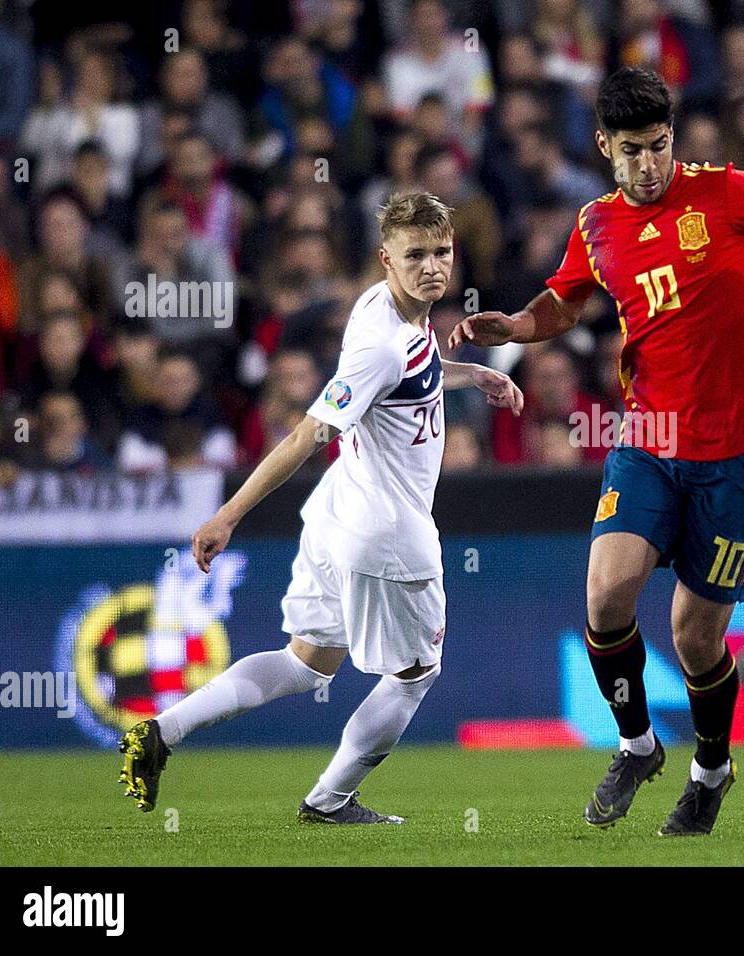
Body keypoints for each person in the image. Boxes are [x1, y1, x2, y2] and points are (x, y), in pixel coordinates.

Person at [450, 67, 744, 836]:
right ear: (603, 147)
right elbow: (565, 301)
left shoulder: (728, 190)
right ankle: (637, 745)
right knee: (606, 596)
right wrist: (515, 327)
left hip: (738, 457)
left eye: (660, 146)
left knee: (696, 635)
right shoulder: (594, 223)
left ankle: (711, 772)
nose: (650, 164)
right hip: (649, 442)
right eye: (633, 150)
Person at [117, 192, 523, 823]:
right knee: (417, 672)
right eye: (415, 255)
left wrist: (472, 375)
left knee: (306, 663)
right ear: (386, 257)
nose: (433, 267)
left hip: (338, 510)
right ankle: (330, 800)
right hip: (386, 528)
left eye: (442, 252)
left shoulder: (386, 312)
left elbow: (410, 380)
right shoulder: (380, 345)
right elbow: (309, 434)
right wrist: (229, 513)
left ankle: (161, 732)